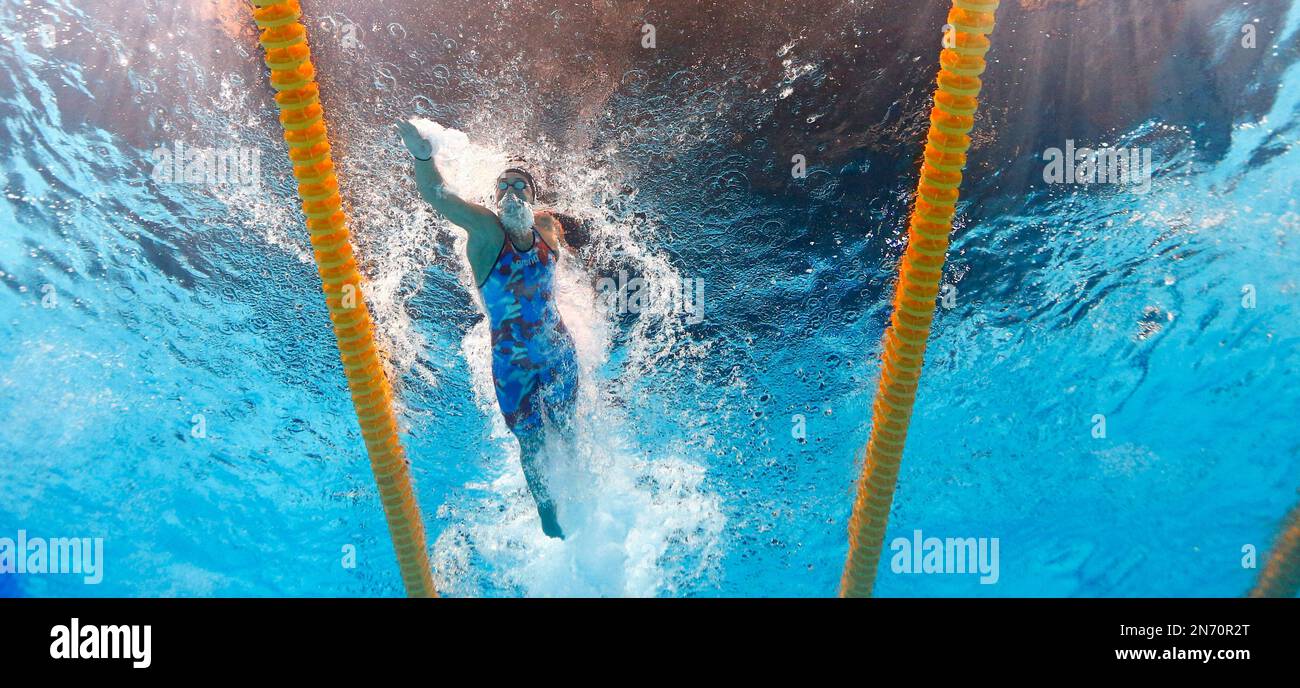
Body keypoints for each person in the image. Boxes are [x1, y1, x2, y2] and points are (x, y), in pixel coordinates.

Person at [396, 119, 588, 539]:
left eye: (520, 185)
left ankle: (580, 490)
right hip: (511, 366)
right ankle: (548, 514)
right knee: (531, 441)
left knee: (567, 428)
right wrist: (424, 158)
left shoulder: (546, 227)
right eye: (504, 185)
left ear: (533, 198)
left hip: (558, 352)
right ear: (495, 198)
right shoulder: (485, 230)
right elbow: (438, 196)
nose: (511, 190)